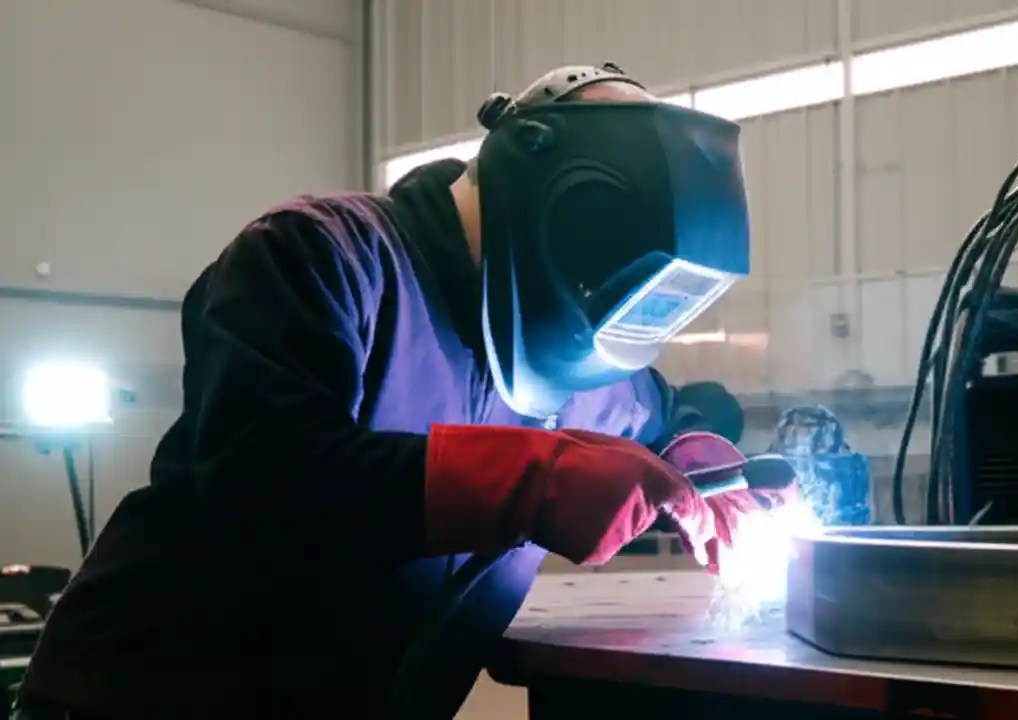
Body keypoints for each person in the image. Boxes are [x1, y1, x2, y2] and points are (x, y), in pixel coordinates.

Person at [13, 64, 788, 719]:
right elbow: (266, 475)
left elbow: (657, 414)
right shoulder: (323, 256)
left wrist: (694, 455)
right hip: (142, 698)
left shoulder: (586, 359)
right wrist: (534, 480)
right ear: (556, 210)